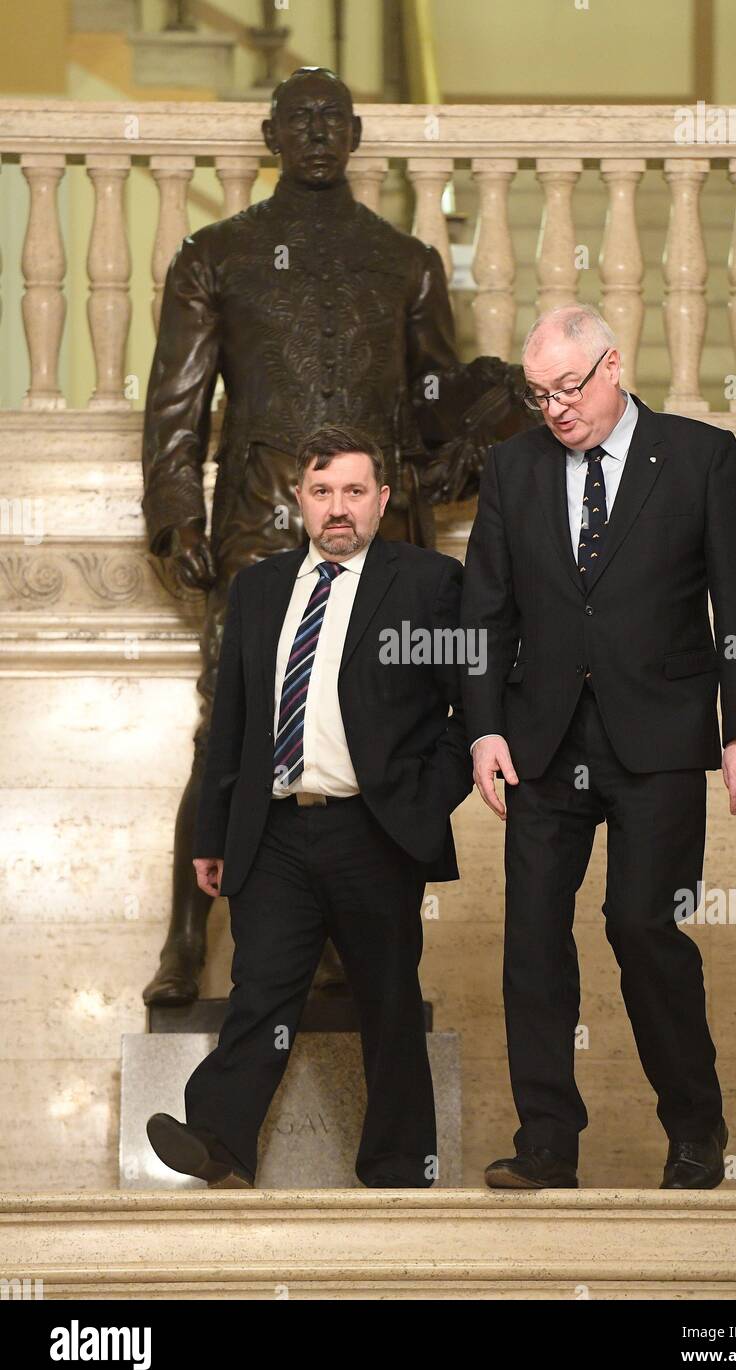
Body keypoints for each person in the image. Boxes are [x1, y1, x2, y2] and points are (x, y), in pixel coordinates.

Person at [139, 65, 525, 1005]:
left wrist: (493, 410)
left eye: (331, 120)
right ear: (272, 135)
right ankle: (189, 935)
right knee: (230, 723)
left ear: (354, 134)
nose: (315, 133)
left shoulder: (406, 261)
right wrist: (175, 511)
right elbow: (178, 404)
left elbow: (434, 400)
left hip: (377, 517)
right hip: (261, 512)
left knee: (373, 726)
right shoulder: (215, 253)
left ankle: (340, 937)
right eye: (297, 120)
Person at [460, 305, 736, 1190]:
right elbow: (485, 612)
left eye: (568, 388)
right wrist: (484, 728)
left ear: (613, 365)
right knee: (531, 941)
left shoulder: (700, 456)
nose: (555, 409)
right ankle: (547, 1145)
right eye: (538, 395)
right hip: (542, 741)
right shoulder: (511, 468)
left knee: (642, 927)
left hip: (663, 738)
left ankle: (695, 1130)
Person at [147, 424, 473, 1188]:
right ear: (299, 500)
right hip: (277, 831)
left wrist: (425, 799)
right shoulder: (260, 590)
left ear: (382, 499)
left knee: (388, 1000)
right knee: (260, 992)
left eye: (355, 492)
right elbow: (230, 723)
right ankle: (220, 1144)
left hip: (375, 830)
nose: (338, 508)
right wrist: (213, 832)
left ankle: (398, 1165)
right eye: (322, 492)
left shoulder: (426, 584)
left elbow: (470, 708)